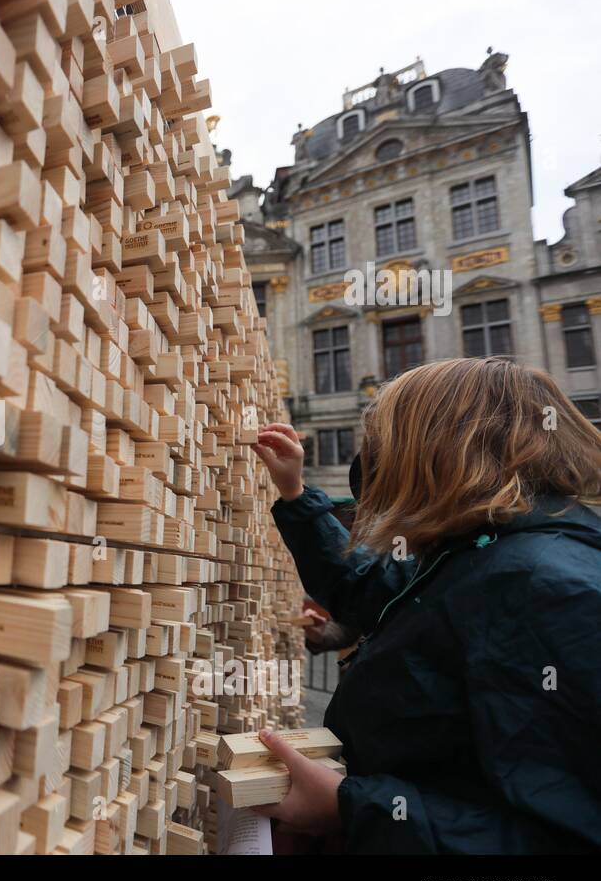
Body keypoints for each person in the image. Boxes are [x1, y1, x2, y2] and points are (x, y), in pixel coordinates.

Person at [251, 357, 601, 853]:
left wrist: (352, 808)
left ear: (441, 453)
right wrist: (295, 495)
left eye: (384, 451)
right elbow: (369, 588)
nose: (374, 475)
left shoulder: (550, 588)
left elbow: (569, 835)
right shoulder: (480, 549)